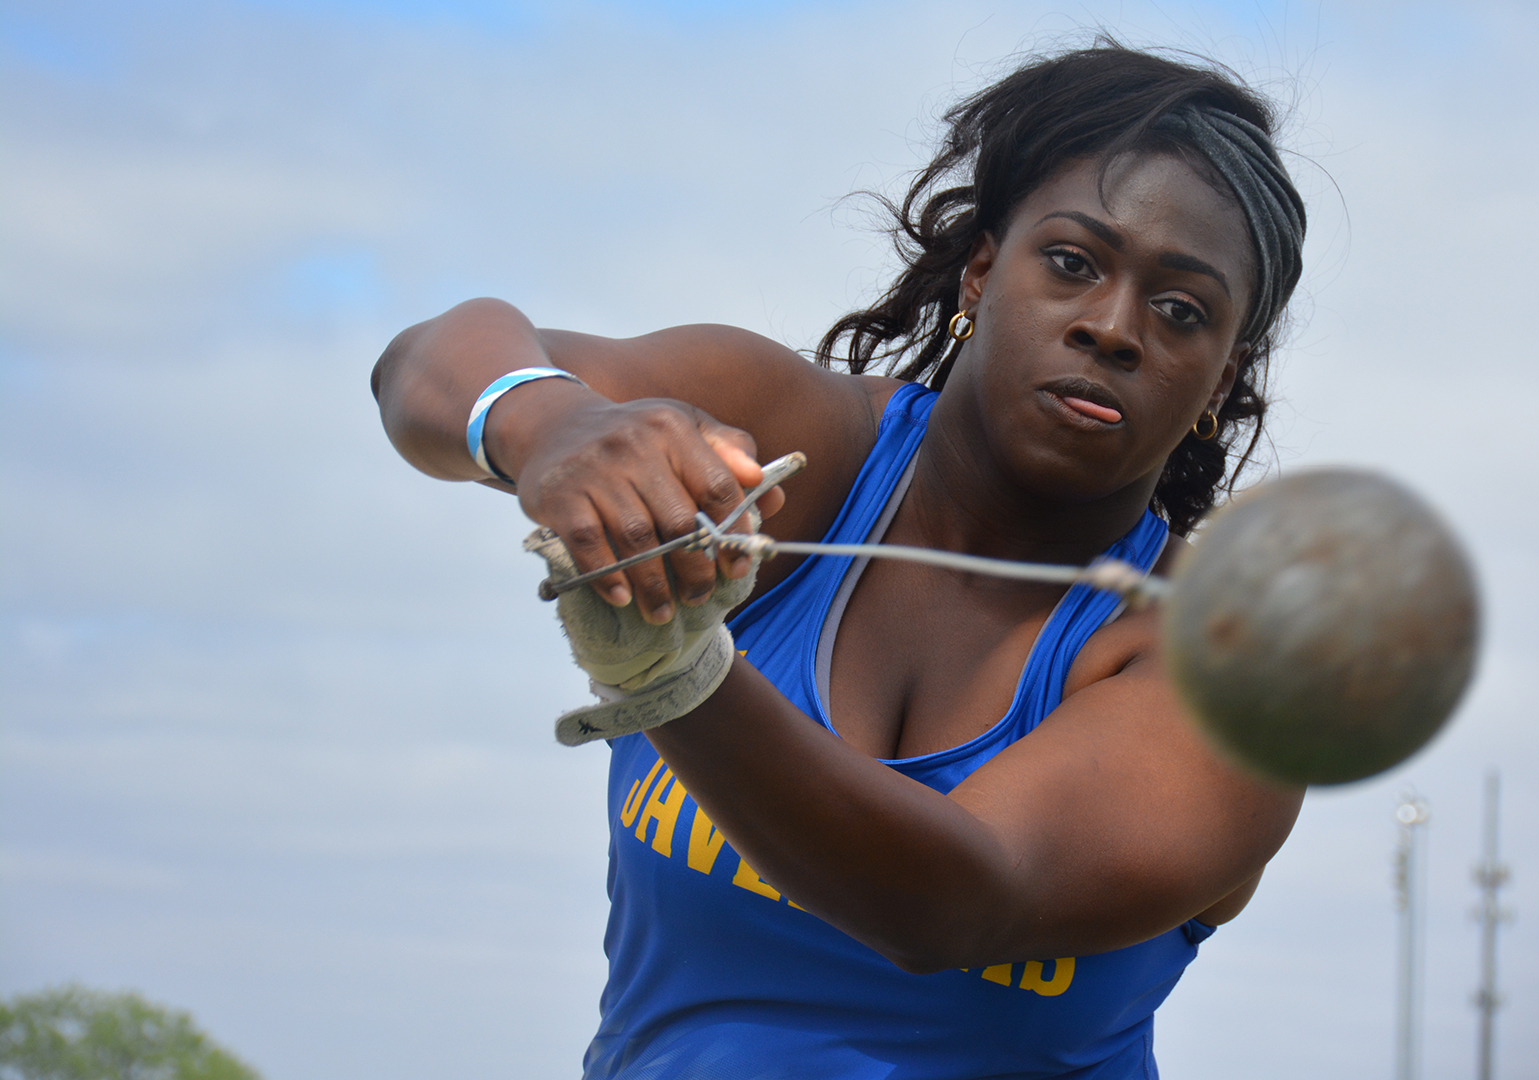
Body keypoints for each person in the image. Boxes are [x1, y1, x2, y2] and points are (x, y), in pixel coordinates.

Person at [373, 42, 1309, 1080]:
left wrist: (674, 679)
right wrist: (550, 424)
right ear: (984, 270)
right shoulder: (798, 448)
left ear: (1223, 380)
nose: (1112, 327)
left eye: (1182, 311)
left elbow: (953, 905)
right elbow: (426, 364)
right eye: (1073, 263)